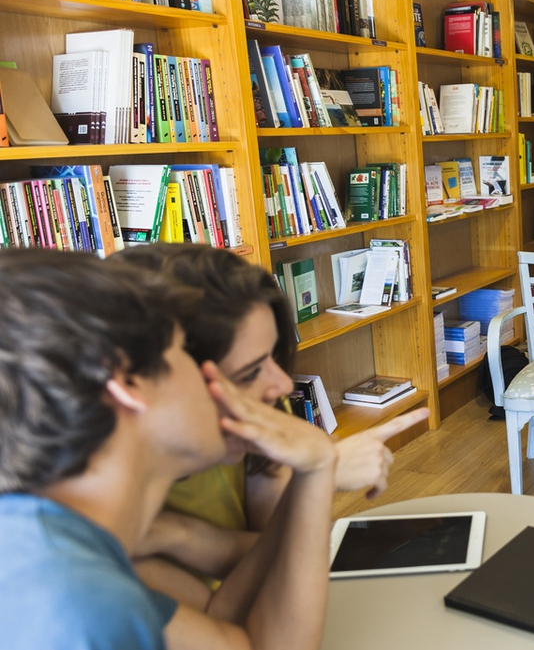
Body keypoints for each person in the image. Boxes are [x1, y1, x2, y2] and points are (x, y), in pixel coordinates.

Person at [0, 249, 337, 650]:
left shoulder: (49, 554)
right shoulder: (81, 612)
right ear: (125, 380)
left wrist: (316, 469)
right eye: (181, 350)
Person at [113, 243, 425, 611]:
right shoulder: (105, 505)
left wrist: (184, 535)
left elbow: (279, 559)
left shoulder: (255, 408)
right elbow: (228, 637)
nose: (282, 386)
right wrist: (319, 474)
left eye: (273, 357)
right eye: (248, 373)